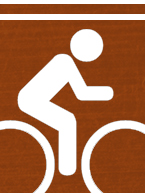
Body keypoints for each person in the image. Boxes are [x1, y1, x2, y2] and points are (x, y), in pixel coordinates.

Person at [17, 28, 114, 176]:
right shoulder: (65, 61)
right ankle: (67, 170)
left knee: (67, 119)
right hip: (31, 101)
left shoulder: (64, 60)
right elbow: (81, 93)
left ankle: (66, 169)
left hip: (33, 99)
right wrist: (107, 93)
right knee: (68, 120)